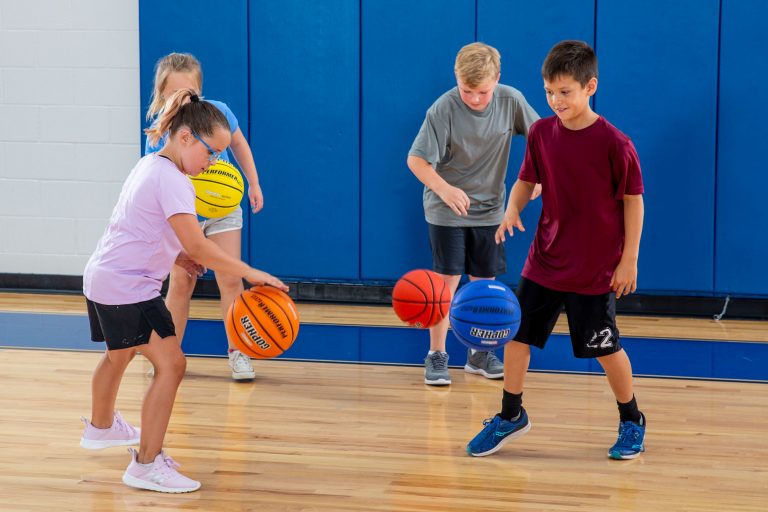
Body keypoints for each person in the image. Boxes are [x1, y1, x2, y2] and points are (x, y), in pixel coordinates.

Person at [80, 88, 288, 492]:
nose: (214, 163)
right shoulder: (175, 181)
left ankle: (101, 426)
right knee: (172, 365)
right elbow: (198, 244)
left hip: (104, 277)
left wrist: (178, 260)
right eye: (211, 152)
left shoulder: (149, 164)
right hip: (129, 286)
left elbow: (140, 227)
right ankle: (145, 464)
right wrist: (251, 272)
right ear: (186, 137)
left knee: (117, 355)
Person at [466, 40, 646, 460]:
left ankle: (631, 419)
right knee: (516, 335)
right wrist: (512, 208)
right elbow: (527, 180)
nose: (555, 100)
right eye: (549, 92)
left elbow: (634, 200)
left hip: (594, 269)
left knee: (605, 348)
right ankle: (511, 414)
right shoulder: (542, 133)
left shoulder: (615, 143)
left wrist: (629, 259)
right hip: (544, 261)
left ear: (590, 87)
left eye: (565, 92)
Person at [407, 42, 540, 386]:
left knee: (484, 286)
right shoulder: (443, 109)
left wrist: (541, 175)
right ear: (457, 79)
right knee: (446, 286)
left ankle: (479, 352)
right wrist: (445, 189)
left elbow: (544, 139)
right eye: (467, 91)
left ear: (498, 78)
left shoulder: (511, 100)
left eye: (482, 92)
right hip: (446, 209)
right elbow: (417, 160)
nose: (475, 99)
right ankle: (437, 354)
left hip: (490, 211)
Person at [145, 53, 263, 381]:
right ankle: (167, 356)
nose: (183, 101)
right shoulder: (159, 131)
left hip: (222, 207)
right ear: (160, 95)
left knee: (229, 277)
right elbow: (155, 183)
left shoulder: (218, 112)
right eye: (173, 95)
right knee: (182, 281)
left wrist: (252, 182)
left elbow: (239, 144)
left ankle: (238, 351)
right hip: (185, 213)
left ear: (200, 91)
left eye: (190, 94)